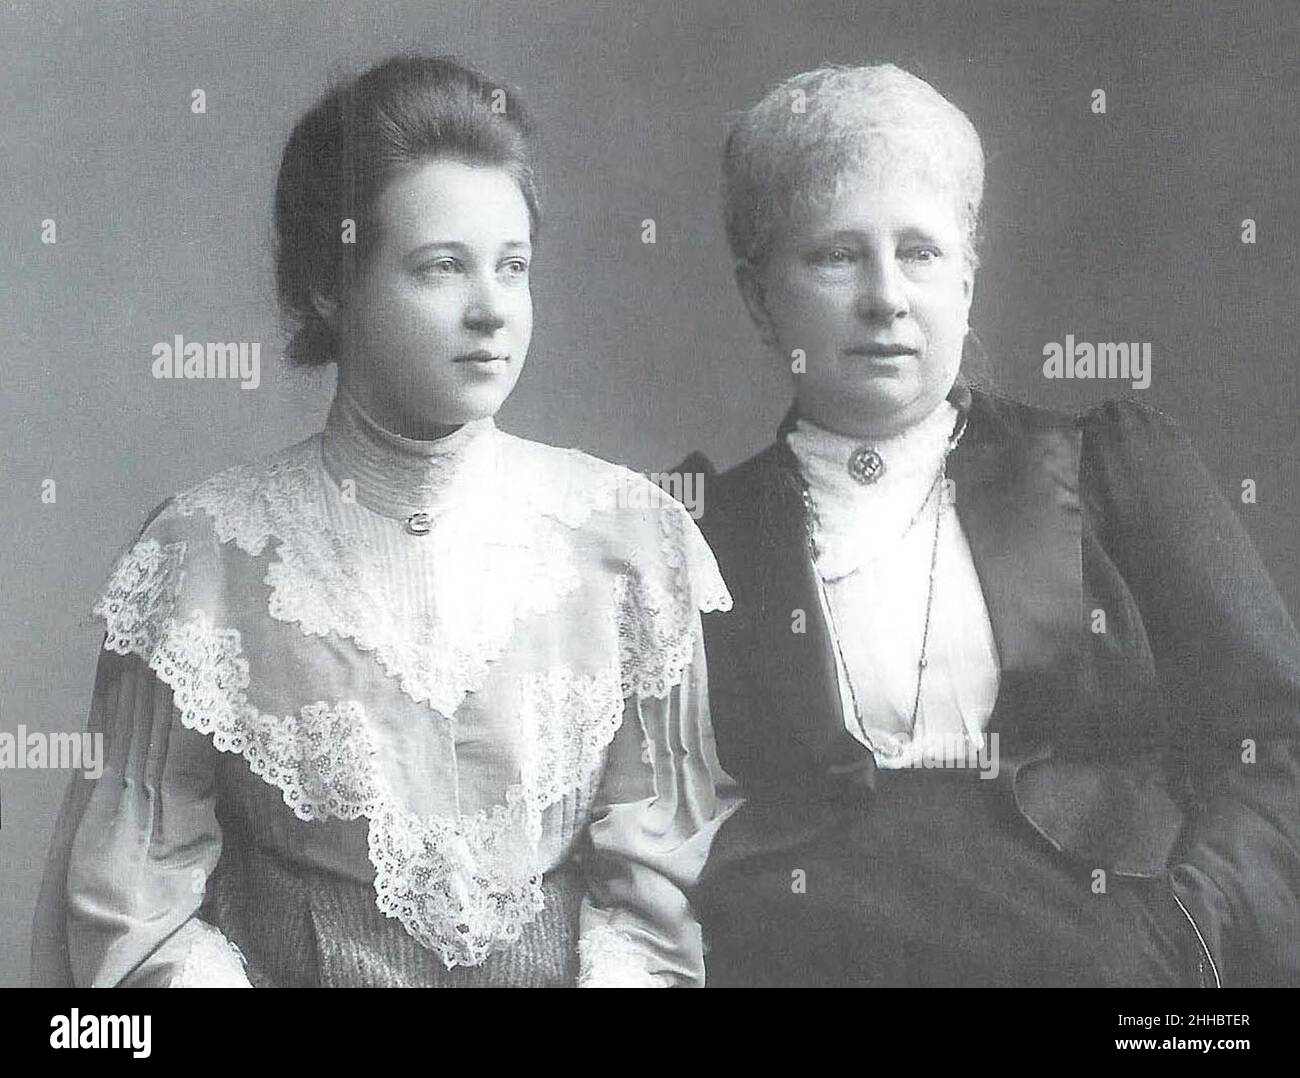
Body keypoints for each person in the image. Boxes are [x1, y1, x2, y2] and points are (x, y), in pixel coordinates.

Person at [31, 55, 737, 988]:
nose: (491, 310)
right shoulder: (203, 557)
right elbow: (129, 915)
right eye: (442, 268)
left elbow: (664, 889)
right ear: (333, 285)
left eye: (513, 267)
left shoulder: (633, 541)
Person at [685, 63, 1300, 987]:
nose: (885, 296)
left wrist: (1190, 940)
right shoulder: (702, 540)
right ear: (758, 298)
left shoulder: (1107, 472)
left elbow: (1273, 744)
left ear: (967, 281)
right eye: (836, 255)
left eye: (921, 253)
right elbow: (658, 822)